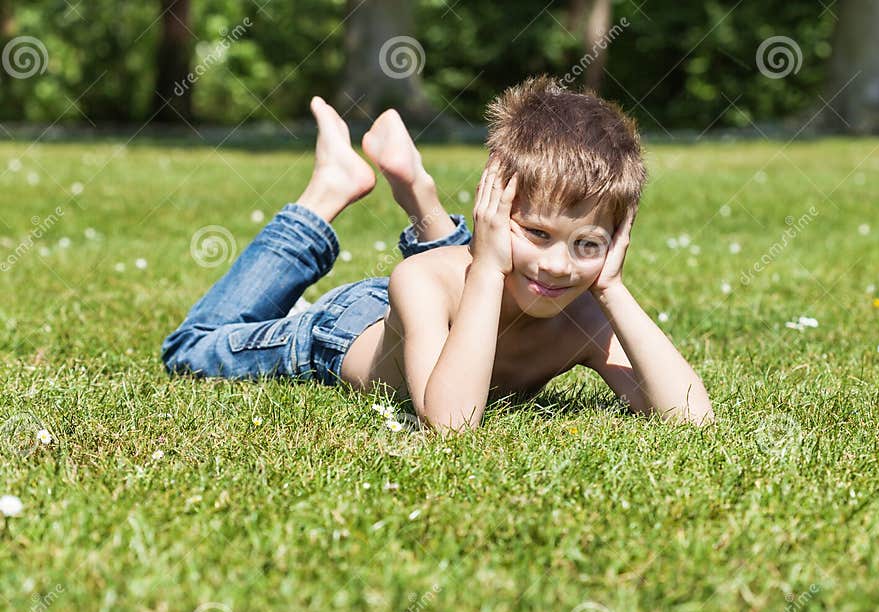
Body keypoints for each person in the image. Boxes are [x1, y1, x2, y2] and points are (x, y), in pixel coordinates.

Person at [161, 75, 714, 432]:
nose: (559, 265)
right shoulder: (421, 280)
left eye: (588, 244)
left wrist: (612, 287)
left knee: (500, 274)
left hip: (464, 283)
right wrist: (493, 262)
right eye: (538, 232)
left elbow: (691, 419)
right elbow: (451, 422)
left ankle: (421, 200)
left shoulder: (587, 309)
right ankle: (327, 190)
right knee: (190, 350)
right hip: (342, 332)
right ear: (491, 212)